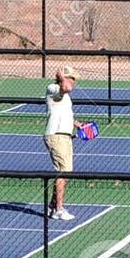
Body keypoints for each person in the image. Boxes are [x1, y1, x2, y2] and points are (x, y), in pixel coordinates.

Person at [44, 65, 81, 220]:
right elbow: (65, 88)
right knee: (63, 171)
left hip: (65, 136)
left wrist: (78, 125)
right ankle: (58, 209)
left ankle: (53, 206)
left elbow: (65, 114)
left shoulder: (66, 97)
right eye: (71, 78)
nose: (74, 81)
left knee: (65, 172)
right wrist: (62, 79)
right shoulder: (53, 88)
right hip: (56, 136)